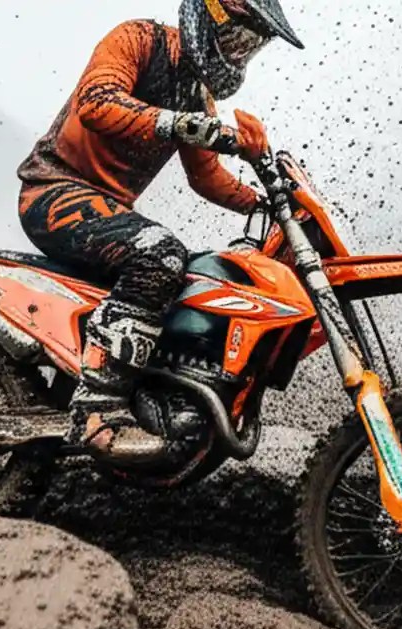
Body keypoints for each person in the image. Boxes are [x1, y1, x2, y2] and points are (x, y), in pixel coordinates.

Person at [16, 0, 304, 453]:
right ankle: (98, 407)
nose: (238, 52)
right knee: (161, 254)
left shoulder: (196, 94)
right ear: (209, 16)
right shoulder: (138, 40)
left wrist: (265, 202)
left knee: (192, 274)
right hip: (54, 191)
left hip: (106, 213)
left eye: (250, 45)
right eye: (236, 37)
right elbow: (95, 102)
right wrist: (178, 124)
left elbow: (206, 177)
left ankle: (155, 391)